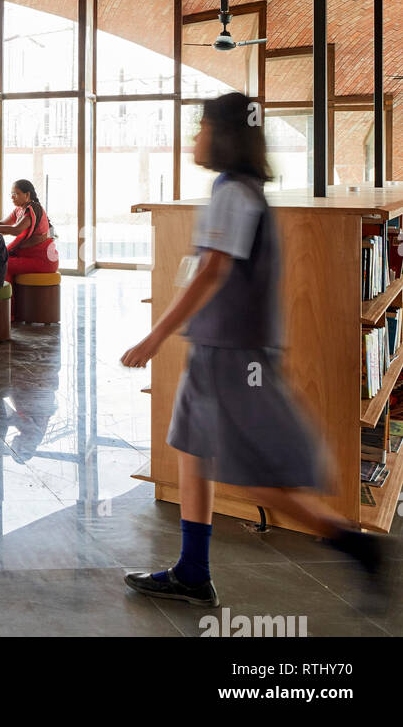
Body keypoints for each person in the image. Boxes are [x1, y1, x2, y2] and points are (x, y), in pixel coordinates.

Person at [121, 92, 383, 607]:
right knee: (193, 453)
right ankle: (193, 572)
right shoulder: (241, 189)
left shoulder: (233, 193)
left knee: (254, 478)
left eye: (200, 128)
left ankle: (353, 545)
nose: (194, 138)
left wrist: (154, 337)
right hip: (217, 349)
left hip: (231, 356)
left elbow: (214, 270)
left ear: (223, 135)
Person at [0, 179, 59, 285]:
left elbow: (16, 230)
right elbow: (2, 224)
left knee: (2, 263)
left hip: (43, 260)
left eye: (16, 194)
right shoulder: (19, 210)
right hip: (30, 257)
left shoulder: (33, 208)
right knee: (0, 259)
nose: (12, 197)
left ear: (27, 194)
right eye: (11, 194)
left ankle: (9, 301)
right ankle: (10, 299)